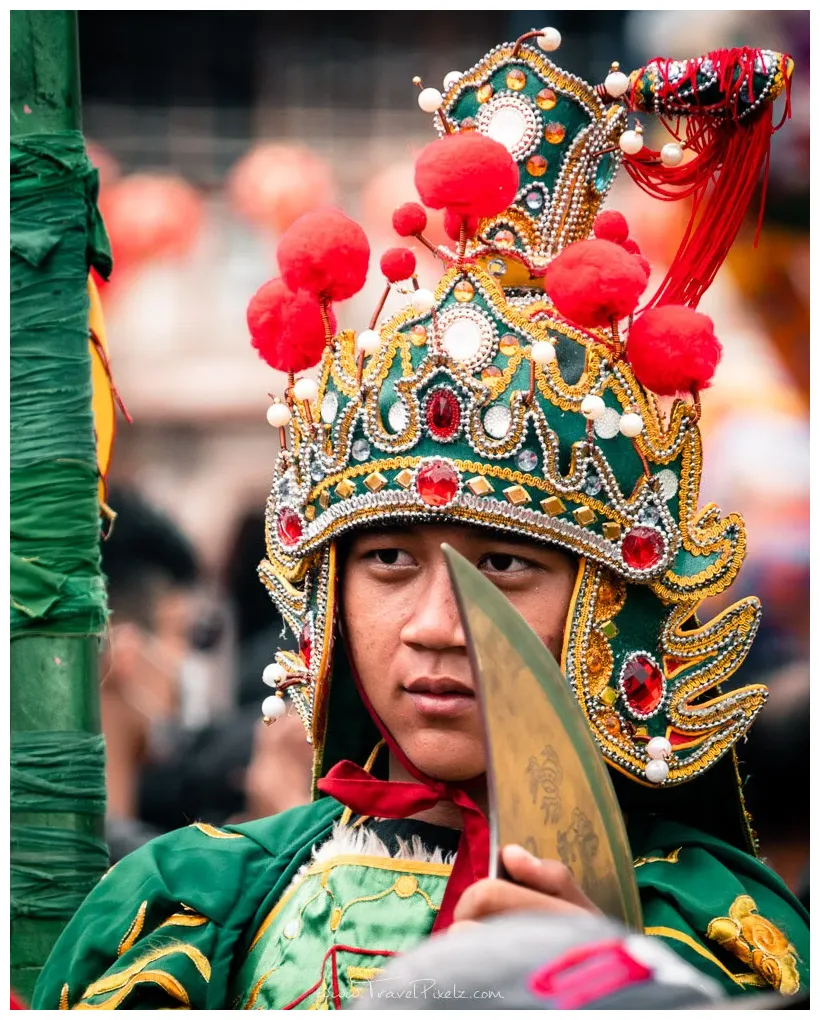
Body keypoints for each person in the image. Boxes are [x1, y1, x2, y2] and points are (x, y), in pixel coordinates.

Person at [34, 29, 808, 1010]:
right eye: (390, 559)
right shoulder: (189, 904)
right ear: (327, 590)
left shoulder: (715, 935)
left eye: (506, 566)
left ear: (610, 609)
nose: (439, 625)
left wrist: (616, 985)